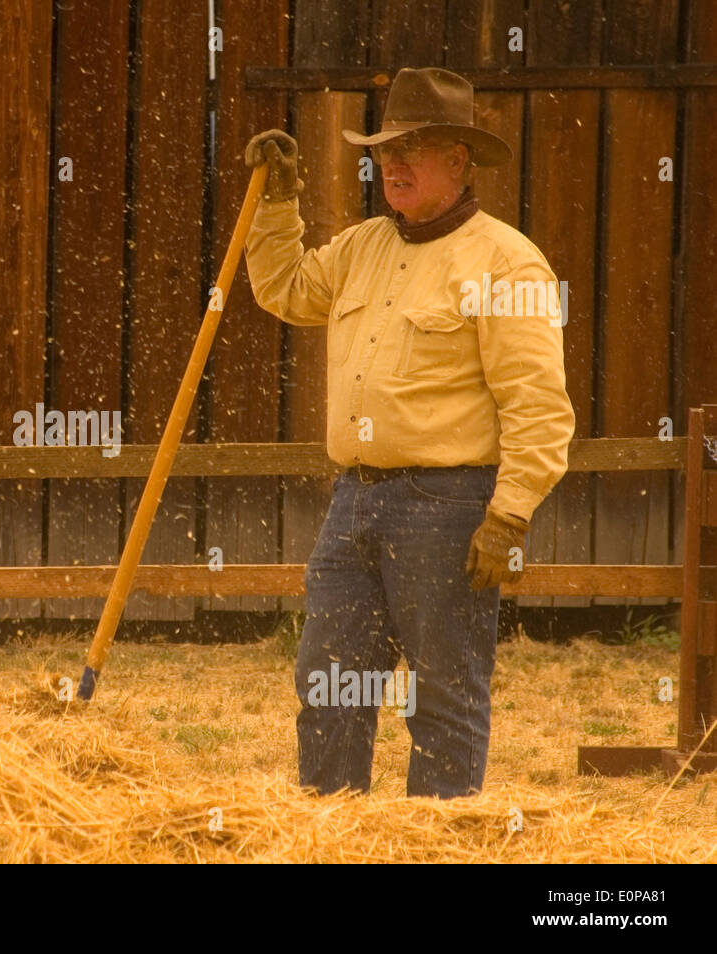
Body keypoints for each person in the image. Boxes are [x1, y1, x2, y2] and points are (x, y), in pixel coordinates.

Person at [243, 67, 575, 798]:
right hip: (352, 502)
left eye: (412, 149)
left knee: (444, 696)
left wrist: (510, 512)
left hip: (449, 508)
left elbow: (538, 405)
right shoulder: (363, 246)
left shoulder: (508, 262)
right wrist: (277, 203)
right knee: (330, 686)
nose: (392, 163)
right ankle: (333, 839)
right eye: (385, 148)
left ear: (458, 161)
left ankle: (440, 845)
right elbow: (286, 289)